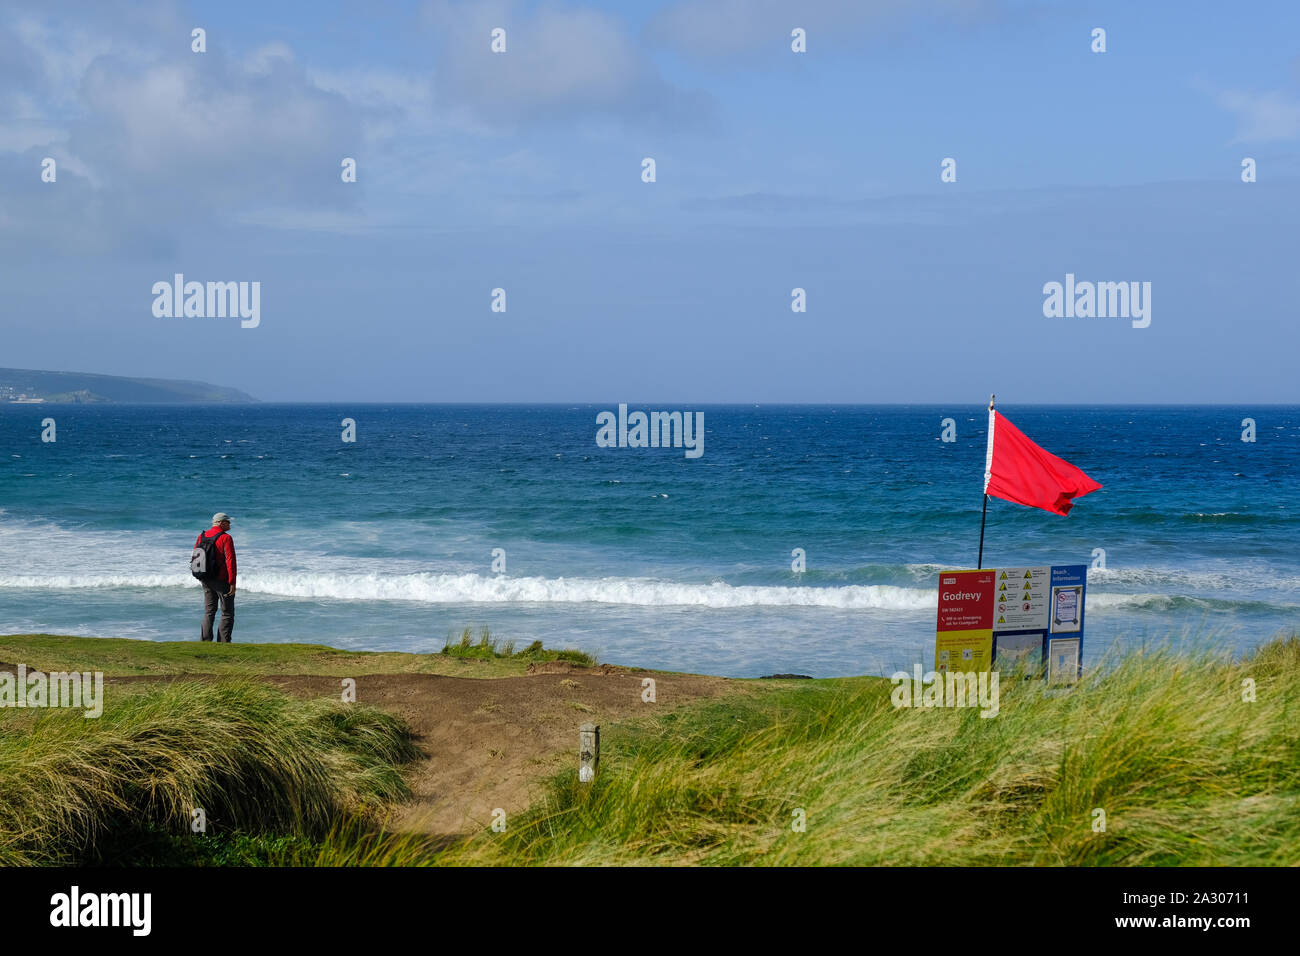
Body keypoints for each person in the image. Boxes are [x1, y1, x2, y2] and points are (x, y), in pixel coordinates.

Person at [196, 513, 237, 642]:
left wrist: (201, 576)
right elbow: (230, 561)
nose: (229, 524)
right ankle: (224, 642)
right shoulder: (226, 538)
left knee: (209, 611)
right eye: (227, 522)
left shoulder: (201, 536)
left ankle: (206, 641)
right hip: (221, 580)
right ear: (220, 523)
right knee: (227, 612)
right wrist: (232, 582)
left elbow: (196, 557)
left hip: (205, 578)